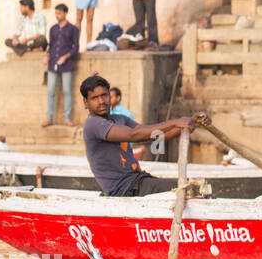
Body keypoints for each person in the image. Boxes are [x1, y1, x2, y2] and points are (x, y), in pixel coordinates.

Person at [80, 74, 210, 196]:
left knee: (195, 188)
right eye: (95, 98)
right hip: (124, 189)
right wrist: (176, 121)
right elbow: (134, 135)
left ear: (109, 95)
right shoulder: (93, 123)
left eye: (104, 95)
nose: (101, 101)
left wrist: (192, 123)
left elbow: (157, 135)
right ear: (86, 102)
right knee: (192, 189)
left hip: (138, 181)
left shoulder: (121, 119)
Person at [43, 3, 79, 126]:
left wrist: (65, 57)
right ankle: (49, 118)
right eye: (56, 13)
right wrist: (46, 55)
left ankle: (67, 118)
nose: (57, 15)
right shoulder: (53, 29)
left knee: (67, 91)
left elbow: (76, 48)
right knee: (50, 91)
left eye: (59, 13)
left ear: (65, 13)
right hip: (53, 63)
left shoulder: (73, 29)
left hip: (66, 64)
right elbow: (51, 45)